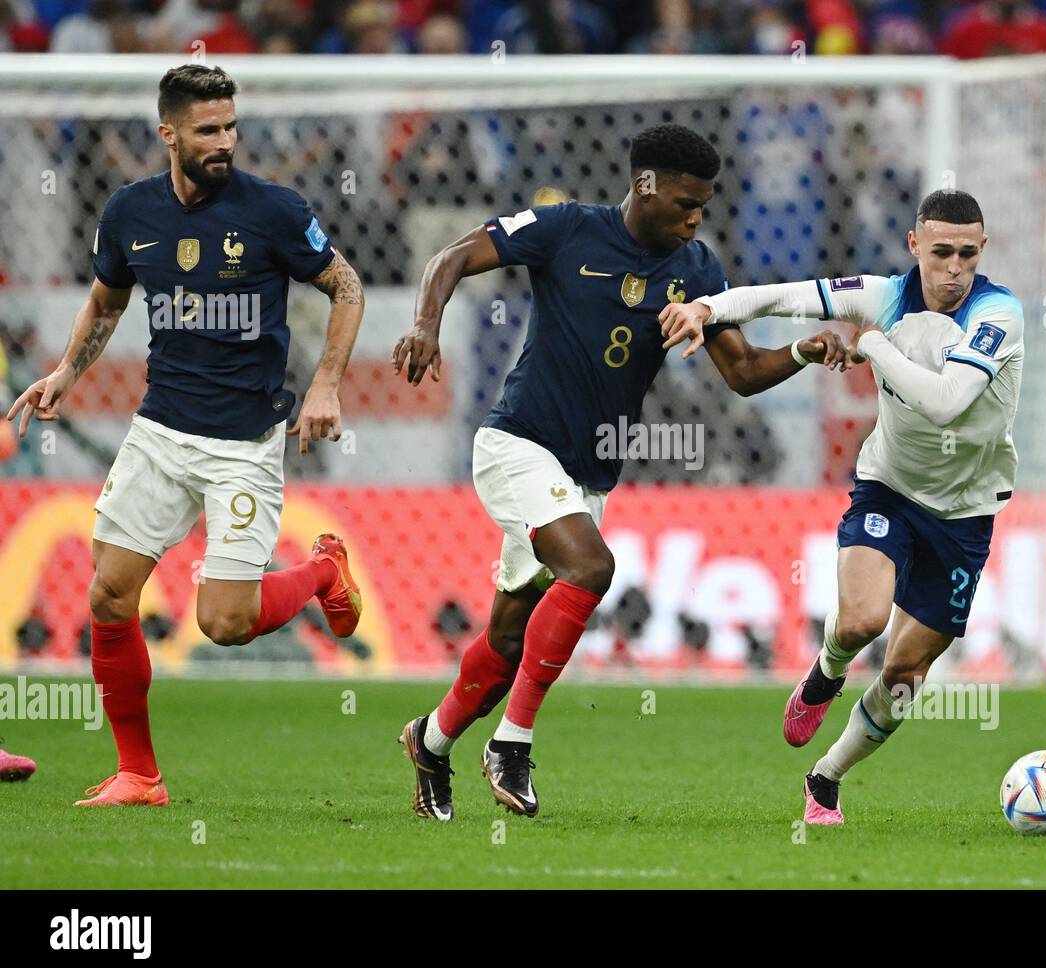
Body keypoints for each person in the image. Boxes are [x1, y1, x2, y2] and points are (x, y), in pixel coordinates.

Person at [391, 124, 852, 821]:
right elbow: (450, 256)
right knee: (591, 569)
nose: (696, 217)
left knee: (508, 646)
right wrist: (426, 324)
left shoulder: (696, 269)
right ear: (645, 185)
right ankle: (511, 745)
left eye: (706, 204)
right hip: (517, 442)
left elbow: (745, 371)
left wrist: (805, 350)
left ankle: (430, 739)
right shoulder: (566, 227)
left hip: (588, 476)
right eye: (685, 202)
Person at [5, 64, 366, 807]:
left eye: (231, 127)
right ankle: (140, 773)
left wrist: (327, 382)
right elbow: (106, 300)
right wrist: (66, 372)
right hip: (161, 432)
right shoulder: (130, 212)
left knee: (224, 621)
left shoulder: (272, 211)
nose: (225, 141)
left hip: (243, 442)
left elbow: (347, 286)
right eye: (208, 130)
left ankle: (324, 572)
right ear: (167, 133)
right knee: (109, 594)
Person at [660, 189, 1024, 824]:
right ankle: (826, 673)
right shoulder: (883, 295)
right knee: (861, 622)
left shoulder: (999, 314)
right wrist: (705, 306)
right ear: (915, 247)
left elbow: (945, 402)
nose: (954, 268)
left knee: (906, 672)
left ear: (982, 251)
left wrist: (873, 347)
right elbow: (784, 296)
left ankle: (826, 776)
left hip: (966, 513)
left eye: (967, 254)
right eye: (940, 252)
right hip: (889, 486)